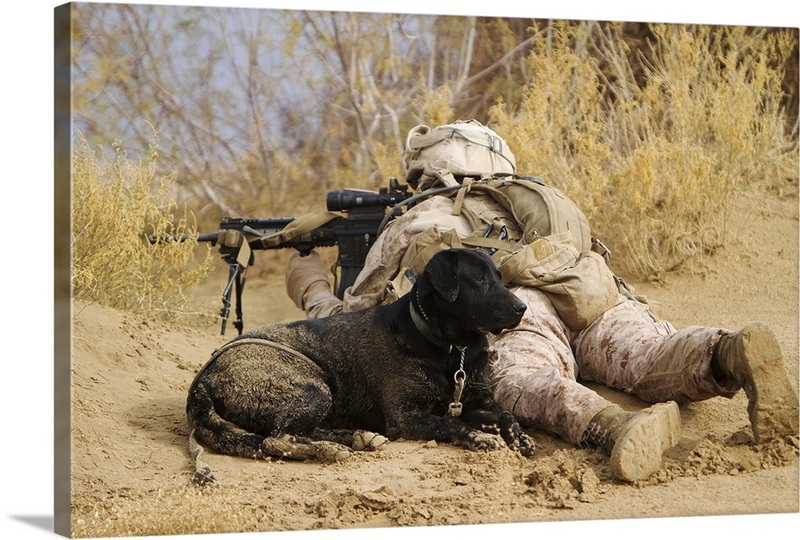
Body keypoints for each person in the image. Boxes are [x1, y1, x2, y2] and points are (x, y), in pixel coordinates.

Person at [284, 119, 799, 482]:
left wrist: (311, 285)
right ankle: (728, 352)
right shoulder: (534, 201)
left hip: (514, 311)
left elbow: (357, 326)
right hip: (590, 292)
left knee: (524, 381)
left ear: (425, 170)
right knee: (647, 354)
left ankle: (614, 427)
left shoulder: (416, 220)